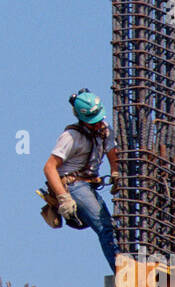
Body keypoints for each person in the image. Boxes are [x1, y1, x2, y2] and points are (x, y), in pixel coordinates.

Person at [43, 89, 120, 271]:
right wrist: (63, 198)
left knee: (114, 229)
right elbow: (49, 167)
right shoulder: (70, 138)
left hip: (90, 183)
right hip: (74, 185)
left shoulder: (104, 130)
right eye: (93, 122)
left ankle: (126, 265)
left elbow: (111, 151)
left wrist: (115, 171)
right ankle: (121, 273)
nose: (97, 124)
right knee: (105, 227)